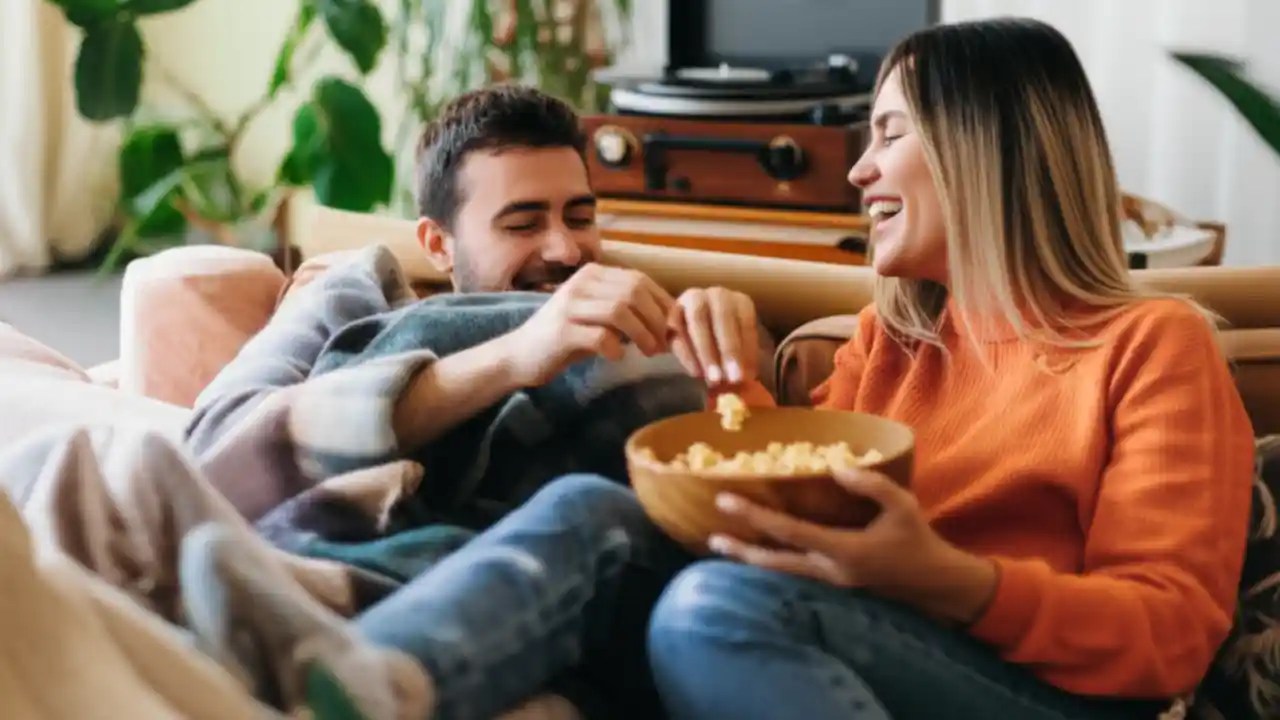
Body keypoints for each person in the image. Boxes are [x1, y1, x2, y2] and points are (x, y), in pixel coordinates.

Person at [643, 18, 1255, 720]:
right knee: (598, 517)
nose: (857, 169)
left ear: (985, 151)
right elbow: (788, 513)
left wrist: (945, 580)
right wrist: (720, 364)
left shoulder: (1152, 346)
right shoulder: (887, 342)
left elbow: (1169, 637)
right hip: (879, 657)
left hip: (1057, 700)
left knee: (715, 607)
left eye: (891, 133)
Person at [168, 84, 772, 720]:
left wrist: (726, 343)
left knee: (588, 510)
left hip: (534, 606)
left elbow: (745, 467)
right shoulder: (355, 297)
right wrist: (513, 356)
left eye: (581, 217)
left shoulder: (643, 321)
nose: (565, 249)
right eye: (523, 223)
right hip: (337, 552)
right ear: (436, 243)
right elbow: (213, 457)